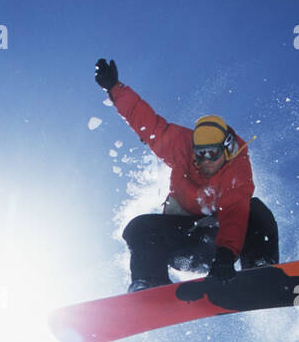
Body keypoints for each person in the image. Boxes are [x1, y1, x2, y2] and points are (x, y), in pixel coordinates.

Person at [95, 58, 280, 292]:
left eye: (212, 154)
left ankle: (258, 267)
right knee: (138, 228)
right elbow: (148, 124)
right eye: (199, 154)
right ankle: (150, 284)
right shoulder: (181, 145)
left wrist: (225, 254)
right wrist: (115, 89)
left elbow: (234, 212)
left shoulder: (238, 167)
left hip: (221, 243)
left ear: (227, 148)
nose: (205, 161)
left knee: (255, 211)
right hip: (185, 240)